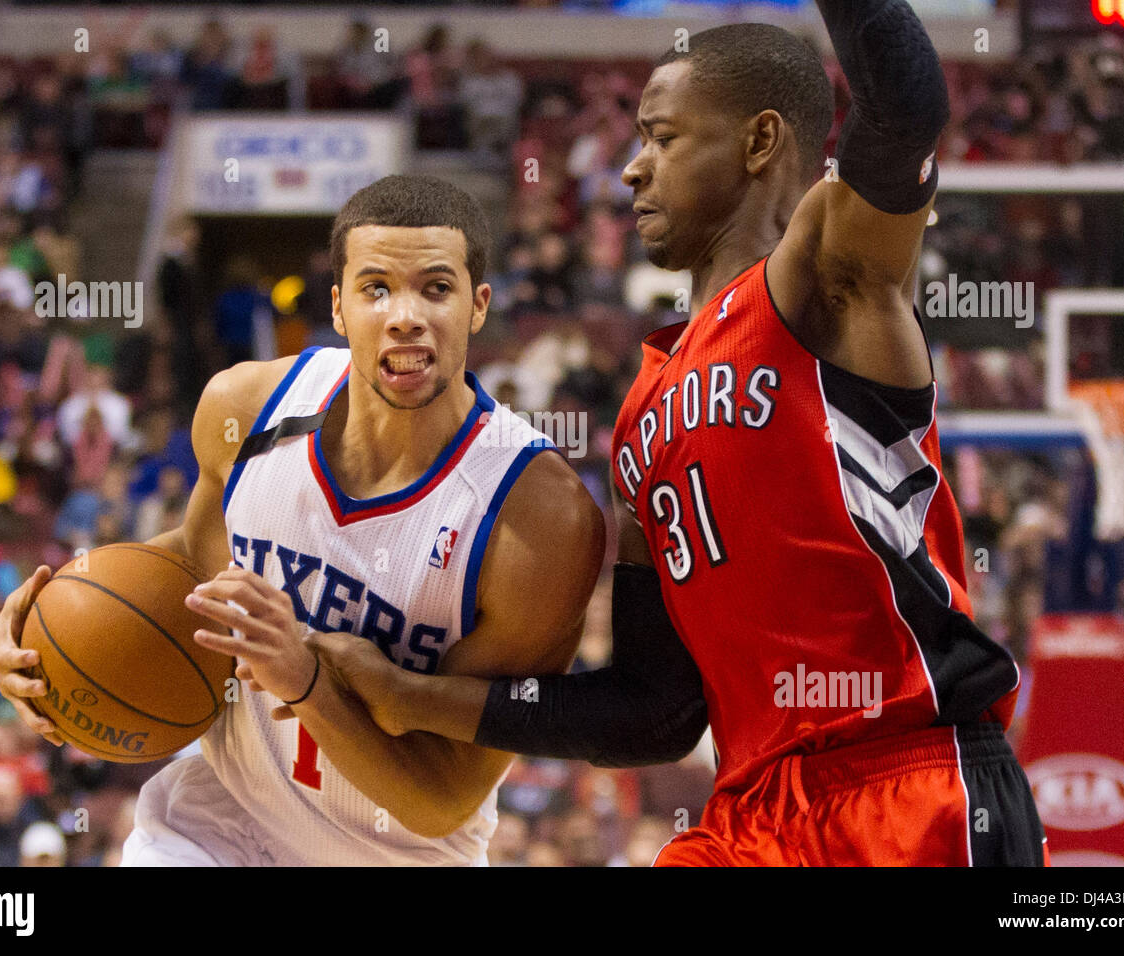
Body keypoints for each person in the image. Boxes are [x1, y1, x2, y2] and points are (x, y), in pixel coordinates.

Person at [312, 7, 1047, 867]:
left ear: (761, 141)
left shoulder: (820, 275)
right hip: (749, 813)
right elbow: (652, 712)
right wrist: (410, 696)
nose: (631, 168)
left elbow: (906, 109)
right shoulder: (636, 420)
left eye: (661, 138)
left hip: (904, 784)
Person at [0, 175, 604, 865]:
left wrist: (307, 682)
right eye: (375, 288)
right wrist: (39, 633)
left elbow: (443, 800)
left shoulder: (538, 519)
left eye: (435, 288)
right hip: (215, 829)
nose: (405, 315)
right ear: (336, 307)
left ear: (478, 306)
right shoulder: (245, 407)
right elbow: (193, 566)